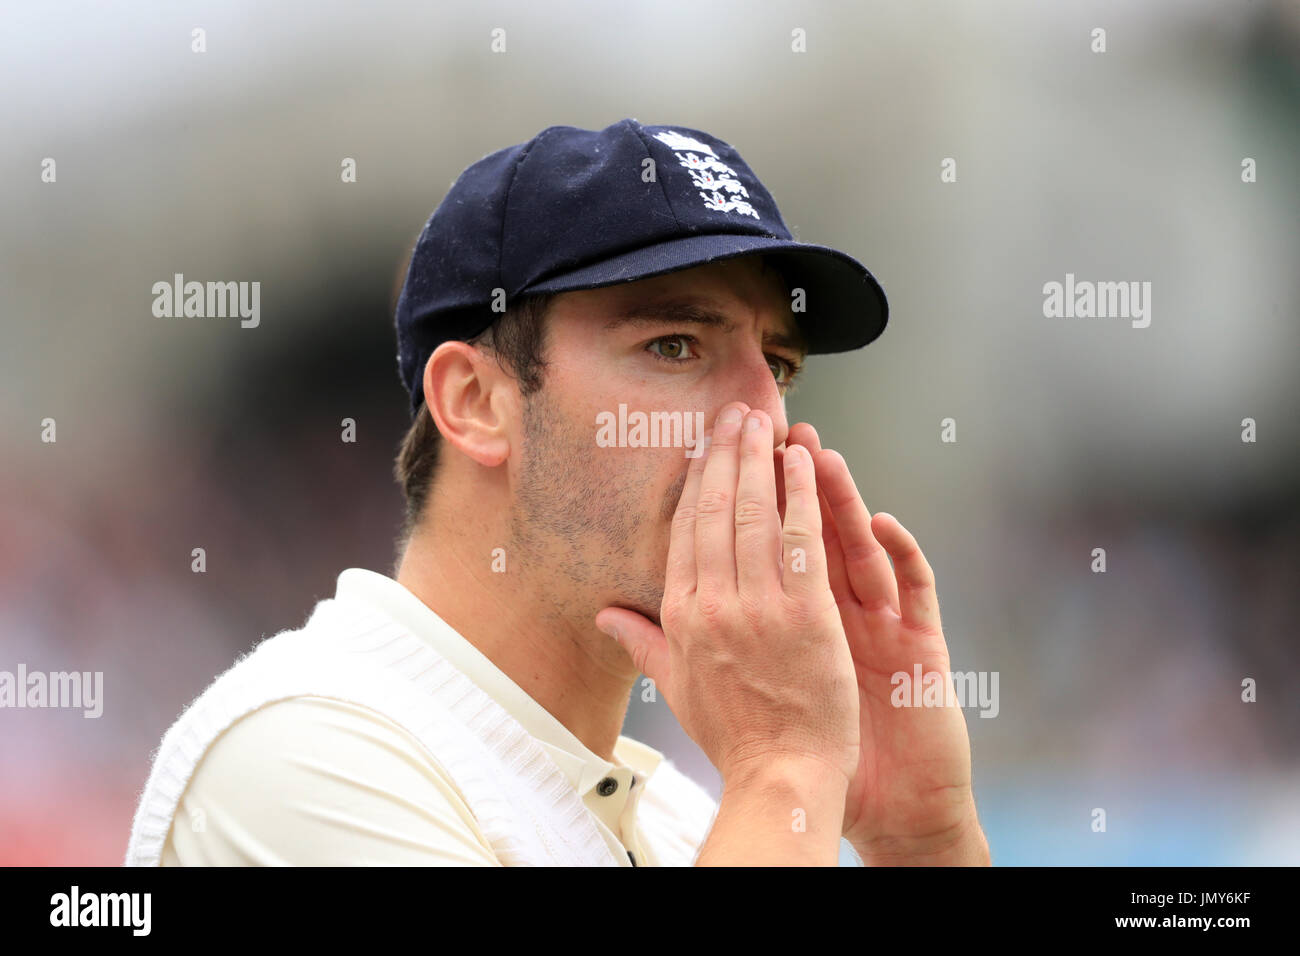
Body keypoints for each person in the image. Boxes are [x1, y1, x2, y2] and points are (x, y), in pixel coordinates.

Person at [125, 118, 989, 866]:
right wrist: (786, 763)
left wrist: (921, 843)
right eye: (676, 345)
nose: (765, 418)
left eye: (778, 366)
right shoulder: (299, 753)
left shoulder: (687, 822)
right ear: (476, 403)